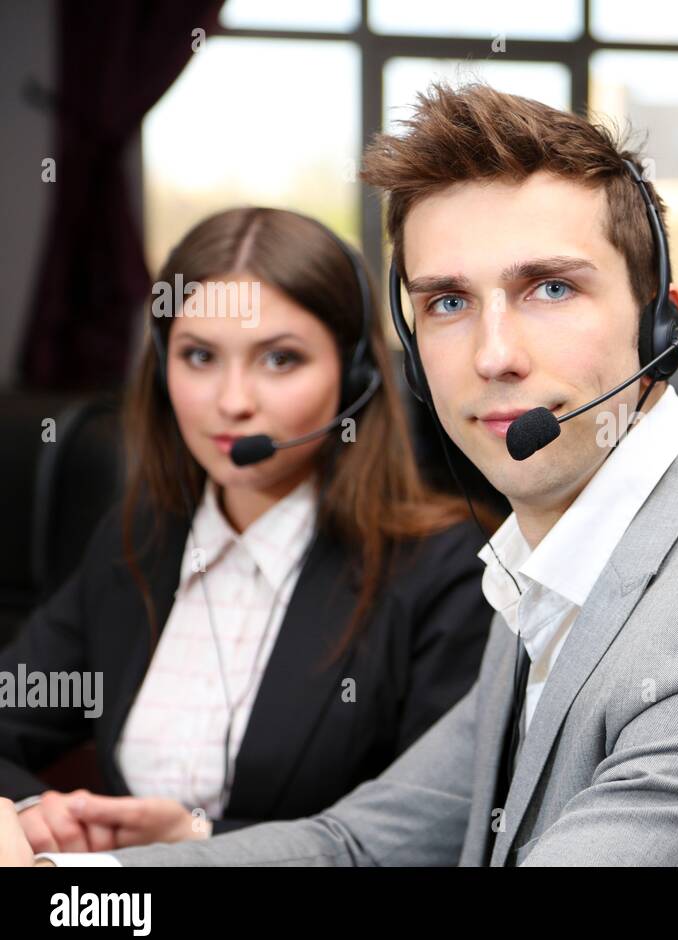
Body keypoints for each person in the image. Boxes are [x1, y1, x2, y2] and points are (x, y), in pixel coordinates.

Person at [9, 83, 678, 867]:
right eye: (447, 303)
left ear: (663, 321)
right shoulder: (538, 568)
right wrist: (89, 876)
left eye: (550, 288)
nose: (492, 356)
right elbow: (358, 844)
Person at [0, 207, 494, 854]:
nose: (232, 401)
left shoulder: (446, 571)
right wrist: (30, 812)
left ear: (354, 379)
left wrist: (199, 837)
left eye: (280, 360)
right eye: (199, 356)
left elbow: (433, 835)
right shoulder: (141, 541)